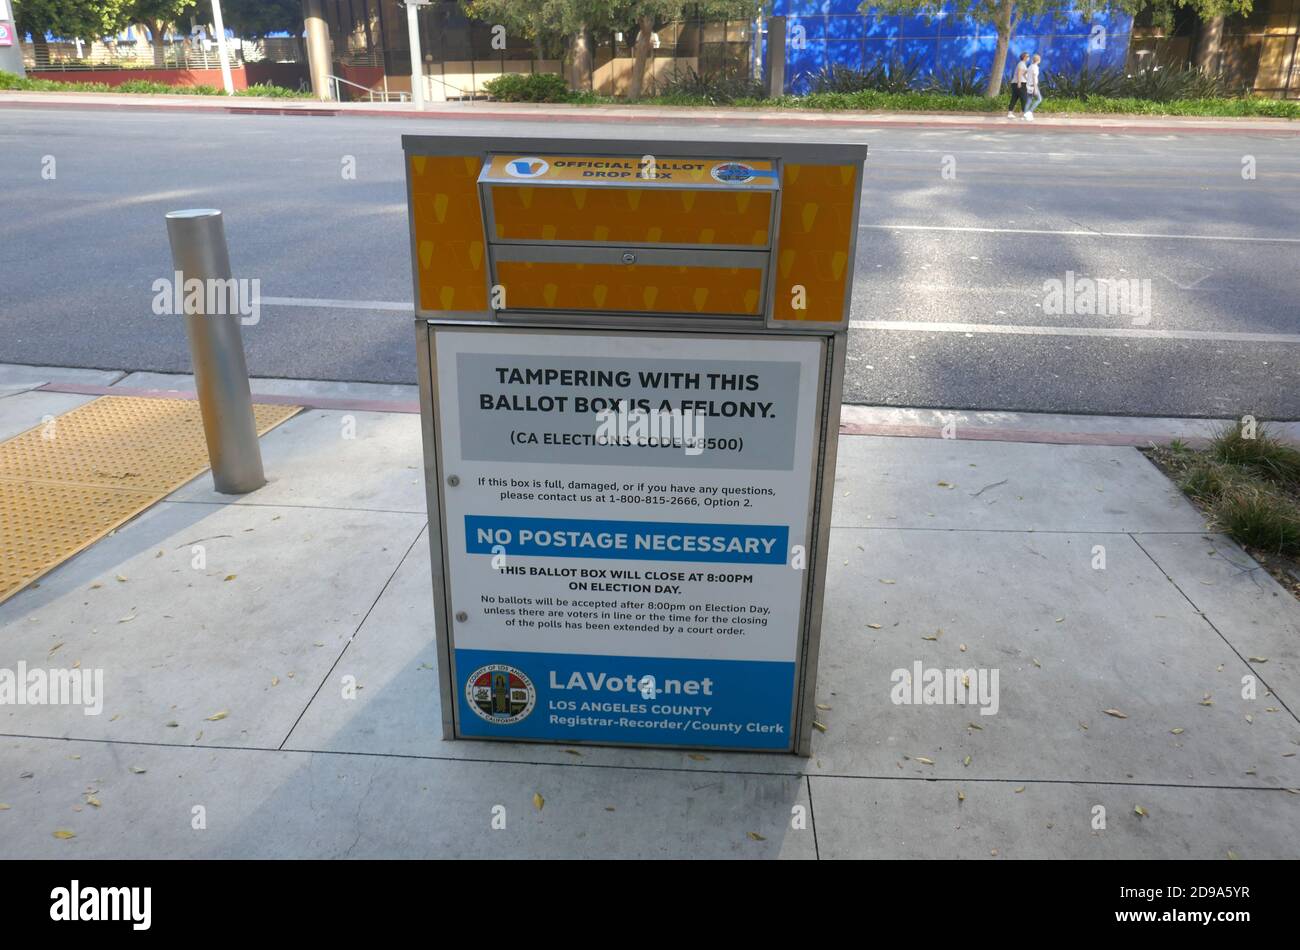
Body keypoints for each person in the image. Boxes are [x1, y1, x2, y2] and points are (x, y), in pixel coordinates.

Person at [1007, 52, 1029, 119]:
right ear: (1024, 57)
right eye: (1028, 56)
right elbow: (1019, 73)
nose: (1028, 58)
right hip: (1020, 83)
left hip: (1016, 83)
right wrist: (1019, 83)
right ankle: (1024, 114)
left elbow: (1023, 74)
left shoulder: (1022, 64)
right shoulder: (1021, 64)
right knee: (1024, 98)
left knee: (1014, 98)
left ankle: (1010, 113)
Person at [1023, 53, 1043, 120]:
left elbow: (1024, 74)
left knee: (1029, 100)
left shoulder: (1030, 66)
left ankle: (1025, 115)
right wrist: (1035, 88)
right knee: (1039, 99)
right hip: (1033, 86)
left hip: (1028, 86)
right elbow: (1034, 78)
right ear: (1038, 60)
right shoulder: (1035, 67)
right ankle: (1030, 112)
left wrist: (1027, 80)